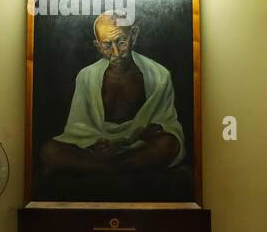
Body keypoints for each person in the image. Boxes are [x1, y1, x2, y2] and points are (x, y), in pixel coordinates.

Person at [39, 10, 184, 176]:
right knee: (50, 150)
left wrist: (126, 142)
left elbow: (164, 124)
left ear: (134, 34)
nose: (116, 53)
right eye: (107, 45)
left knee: (168, 144)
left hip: (136, 146)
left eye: (121, 42)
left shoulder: (159, 75)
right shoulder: (87, 76)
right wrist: (96, 145)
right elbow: (78, 129)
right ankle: (118, 170)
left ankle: (105, 171)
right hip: (97, 150)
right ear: (98, 45)